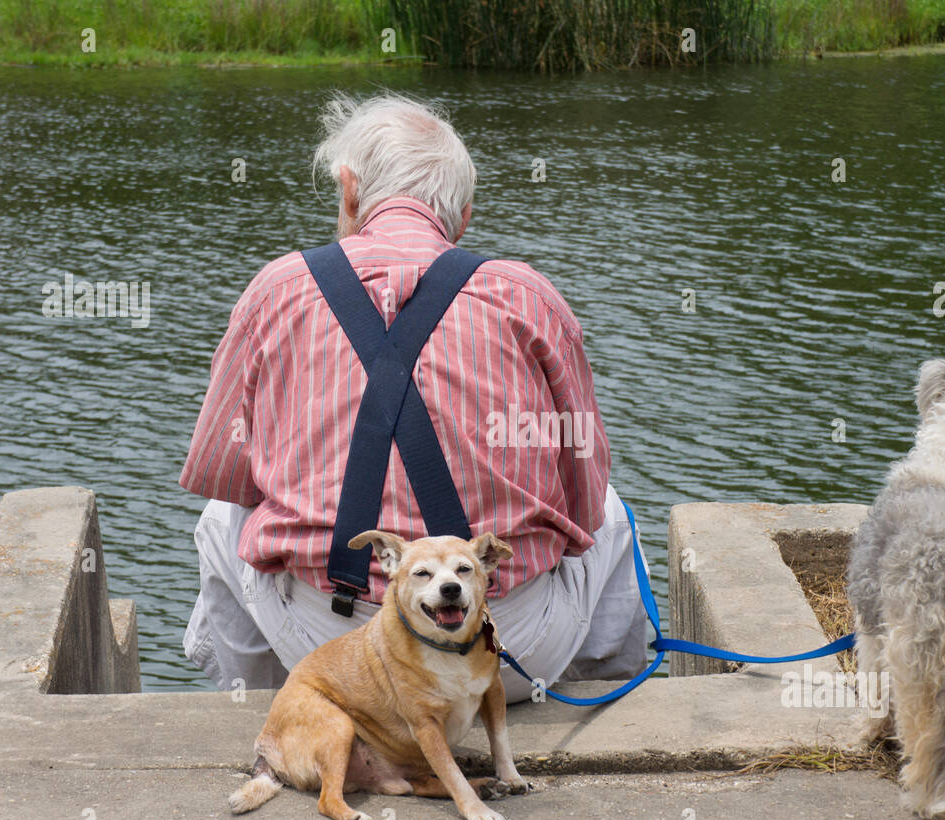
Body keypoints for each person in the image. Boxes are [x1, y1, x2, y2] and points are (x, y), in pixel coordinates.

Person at [179, 92, 652, 703]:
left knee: (225, 517)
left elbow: (221, 470)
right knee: (611, 511)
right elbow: (584, 498)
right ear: (462, 215)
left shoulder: (278, 289)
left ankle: (273, 704)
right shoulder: (527, 296)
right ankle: (602, 700)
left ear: (350, 191)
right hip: (506, 650)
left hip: (341, 653)